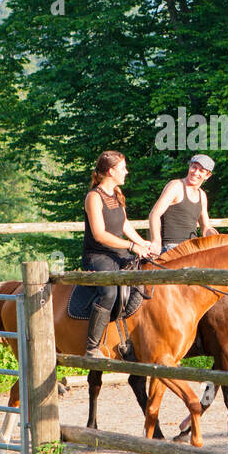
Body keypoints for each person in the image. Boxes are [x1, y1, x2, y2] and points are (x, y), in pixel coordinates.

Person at [82, 150, 154, 354]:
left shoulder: (116, 195)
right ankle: (92, 346)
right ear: (111, 171)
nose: (126, 172)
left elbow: (124, 225)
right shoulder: (93, 197)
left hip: (118, 253)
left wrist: (143, 244)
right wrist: (131, 247)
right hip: (97, 256)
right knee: (109, 292)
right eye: (123, 168)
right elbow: (100, 235)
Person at [148, 154, 219, 254]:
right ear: (189, 167)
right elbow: (154, 214)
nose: (196, 172)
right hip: (172, 247)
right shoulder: (176, 186)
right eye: (194, 167)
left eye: (201, 170)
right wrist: (156, 241)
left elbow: (205, 227)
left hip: (193, 247)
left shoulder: (202, 195)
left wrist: (215, 236)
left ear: (207, 175)